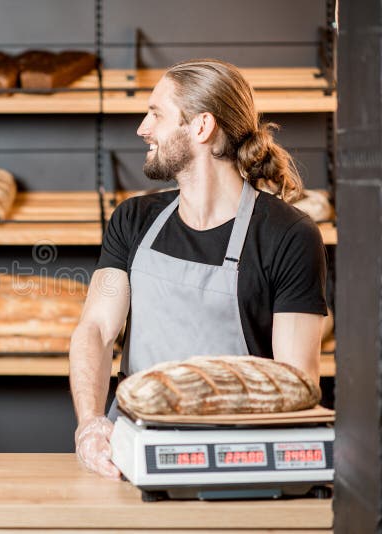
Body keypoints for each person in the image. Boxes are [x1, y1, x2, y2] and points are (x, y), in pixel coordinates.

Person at [69, 59, 327, 479]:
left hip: (237, 455)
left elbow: (296, 381)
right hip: (131, 451)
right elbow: (96, 328)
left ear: (202, 126)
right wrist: (89, 424)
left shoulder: (289, 234)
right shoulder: (134, 219)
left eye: (156, 113)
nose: (142, 128)